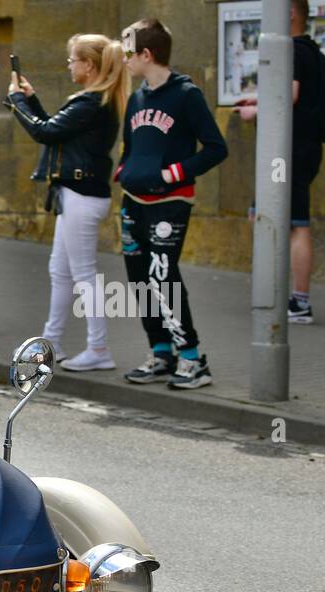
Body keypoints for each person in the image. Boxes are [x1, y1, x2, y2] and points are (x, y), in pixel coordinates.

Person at [117, 17, 228, 390]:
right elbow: (131, 147)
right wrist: (125, 170)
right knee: (140, 280)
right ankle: (161, 352)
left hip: (171, 201)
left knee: (163, 277)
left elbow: (216, 148)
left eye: (129, 54)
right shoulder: (136, 98)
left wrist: (172, 173)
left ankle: (193, 359)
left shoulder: (186, 95)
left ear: (147, 54)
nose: (125, 61)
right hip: (133, 202)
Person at [7, 34, 128, 371]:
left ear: (89, 66)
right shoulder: (92, 102)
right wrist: (30, 101)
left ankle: (99, 348)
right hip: (75, 196)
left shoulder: (90, 103)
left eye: (73, 60)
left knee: (83, 275)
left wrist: (17, 101)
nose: (69, 65)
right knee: (60, 272)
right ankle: (53, 343)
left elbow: (44, 133)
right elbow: (56, 131)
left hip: (81, 197)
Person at [236, 0, 322, 324]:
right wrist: (257, 101)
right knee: (262, 213)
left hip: (288, 155)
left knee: (294, 222)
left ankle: (298, 302)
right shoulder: (305, 49)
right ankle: (276, 291)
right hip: (291, 152)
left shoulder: (295, 51)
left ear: (288, 13)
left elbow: (290, 96)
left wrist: (253, 112)